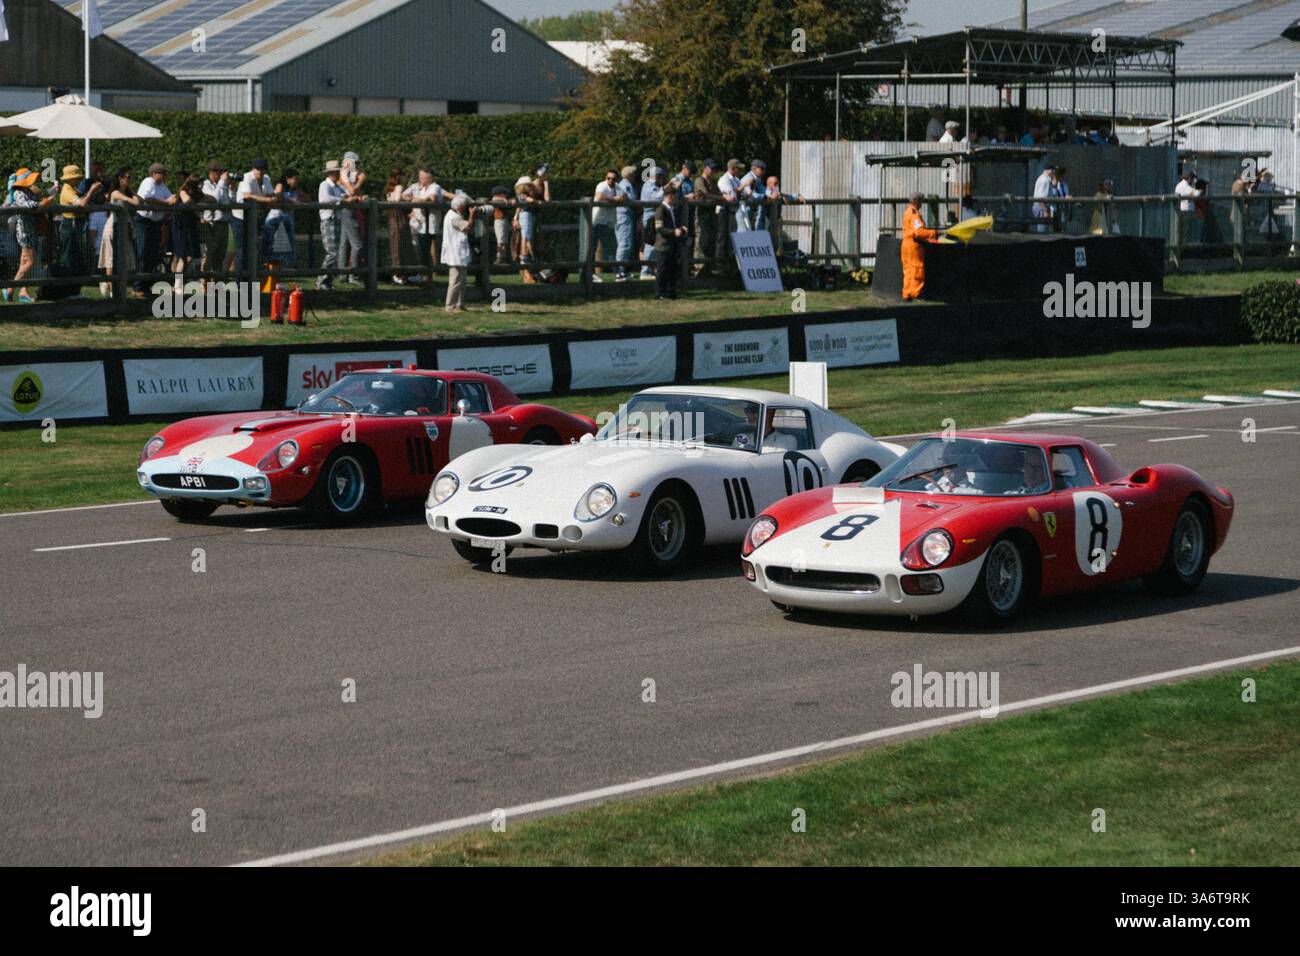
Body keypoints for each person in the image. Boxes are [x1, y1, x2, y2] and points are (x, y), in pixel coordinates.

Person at [97, 167, 141, 298]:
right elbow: (134, 201)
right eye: (127, 177)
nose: (129, 180)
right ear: (120, 178)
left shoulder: (126, 192)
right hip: (113, 226)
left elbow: (139, 200)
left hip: (124, 227)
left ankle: (116, 286)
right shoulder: (115, 193)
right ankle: (111, 287)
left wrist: (130, 190)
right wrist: (131, 194)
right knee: (110, 259)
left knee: (124, 257)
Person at [3, 168, 43, 303]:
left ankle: (21, 292)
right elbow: (28, 205)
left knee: (24, 262)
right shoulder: (18, 193)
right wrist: (41, 203)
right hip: (26, 231)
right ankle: (10, 288)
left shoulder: (26, 191)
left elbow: (35, 200)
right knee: (30, 262)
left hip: (29, 230)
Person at [135, 163, 175, 293]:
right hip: (144, 222)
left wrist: (173, 199)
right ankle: (138, 286)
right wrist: (166, 203)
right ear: (153, 174)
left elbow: (170, 198)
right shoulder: (148, 182)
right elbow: (147, 199)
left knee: (153, 254)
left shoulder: (162, 185)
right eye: (162, 173)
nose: (164, 176)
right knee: (143, 253)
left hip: (156, 223)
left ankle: (146, 286)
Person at [233, 158, 276, 278]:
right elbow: (248, 195)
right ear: (253, 169)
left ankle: (249, 280)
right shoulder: (246, 178)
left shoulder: (266, 179)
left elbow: (271, 194)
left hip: (252, 217)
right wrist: (268, 200)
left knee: (252, 249)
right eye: (258, 169)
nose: (260, 172)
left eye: (262, 169)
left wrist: (272, 199)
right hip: (240, 218)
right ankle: (239, 282)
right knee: (241, 250)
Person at [402, 166, 444, 285]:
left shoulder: (435, 187)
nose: (420, 179)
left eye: (423, 177)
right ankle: (422, 275)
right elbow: (405, 196)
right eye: (420, 177)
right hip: (420, 225)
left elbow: (432, 199)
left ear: (429, 177)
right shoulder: (420, 188)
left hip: (429, 226)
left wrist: (415, 199)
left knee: (424, 251)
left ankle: (427, 277)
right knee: (421, 251)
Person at [316, 159, 350, 290]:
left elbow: (346, 195)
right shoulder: (324, 185)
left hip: (337, 219)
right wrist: (343, 200)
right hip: (328, 219)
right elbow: (326, 199)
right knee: (332, 252)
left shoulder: (337, 186)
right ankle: (321, 280)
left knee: (335, 252)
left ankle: (327, 281)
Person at [441, 193, 476, 314]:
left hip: (457, 252)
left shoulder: (453, 215)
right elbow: (468, 227)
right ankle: (450, 305)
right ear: (459, 207)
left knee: (462, 280)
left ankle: (459, 304)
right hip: (455, 253)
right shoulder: (454, 217)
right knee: (455, 281)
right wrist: (472, 215)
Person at [200, 161, 233, 289]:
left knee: (220, 255)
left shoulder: (224, 185)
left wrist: (230, 187)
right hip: (210, 224)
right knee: (209, 254)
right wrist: (222, 183)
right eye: (221, 172)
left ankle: (217, 284)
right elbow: (215, 199)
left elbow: (230, 201)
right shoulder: (205, 185)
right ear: (213, 173)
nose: (224, 175)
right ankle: (205, 284)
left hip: (223, 223)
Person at [651, 184, 687, 300]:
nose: (675, 197)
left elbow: (676, 226)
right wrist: (673, 232)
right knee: (662, 270)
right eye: (674, 195)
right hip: (663, 245)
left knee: (672, 269)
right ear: (669, 196)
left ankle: (671, 291)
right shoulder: (660, 210)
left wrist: (681, 229)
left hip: (672, 245)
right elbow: (659, 228)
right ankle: (660, 292)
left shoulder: (673, 210)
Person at [901, 192, 938, 301]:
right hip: (914, 245)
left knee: (908, 269)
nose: (922, 203)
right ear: (917, 201)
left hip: (905, 244)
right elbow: (919, 232)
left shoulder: (907, 211)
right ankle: (917, 293)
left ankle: (907, 294)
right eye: (921, 201)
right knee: (917, 268)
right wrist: (934, 233)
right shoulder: (914, 214)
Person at [170, 173, 203, 292]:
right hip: (180, 226)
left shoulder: (196, 192)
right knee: (183, 256)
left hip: (190, 226)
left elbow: (210, 199)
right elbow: (187, 201)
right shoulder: (183, 191)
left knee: (190, 256)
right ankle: (177, 284)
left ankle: (179, 281)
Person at [262, 167, 301, 266]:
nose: (297, 181)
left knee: (288, 244)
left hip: (287, 219)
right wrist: (291, 201)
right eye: (295, 179)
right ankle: (269, 264)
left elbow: (306, 197)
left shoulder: (294, 189)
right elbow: (276, 198)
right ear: (287, 178)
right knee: (272, 244)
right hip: (276, 218)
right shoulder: (280, 186)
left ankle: (287, 265)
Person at [338, 151, 366, 283]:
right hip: (347, 211)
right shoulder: (343, 175)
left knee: (345, 244)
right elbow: (352, 191)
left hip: (352, 210)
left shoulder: (355, 175)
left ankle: (343, 274)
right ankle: (352, 275)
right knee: (357, 245)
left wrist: (353, 181)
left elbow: (354, 191)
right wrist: (356, 181)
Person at [590, 168, 621, 281]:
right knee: (592, 249)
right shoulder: (601, 185)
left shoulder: (617, 187)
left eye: (613, 179)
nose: (610, 181)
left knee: (611, 248)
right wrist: (614, 199)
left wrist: (618, 199)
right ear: (605, 178)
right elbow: (599, 197)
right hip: (596, 221)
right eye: (608, 178)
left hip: (607, 223)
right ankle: (591, 274)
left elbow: (624, 196)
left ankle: (618, 273)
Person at [691, 159, 720, 277]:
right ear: (705, 168)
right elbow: (705, 194)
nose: (713, 170)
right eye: (711, 168)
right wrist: (721, 198)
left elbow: (717, 194)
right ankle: (699, 268)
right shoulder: (699, 180)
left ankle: (708, 267)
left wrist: (719, 197)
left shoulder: (713, 181)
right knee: (701, 241)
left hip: (712, 214)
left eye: (714, 168)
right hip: (702, 215)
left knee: (711, 241)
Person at [716, 159, 746, 271]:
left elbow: (743, 194)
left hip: (732, 211)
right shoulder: (724, 180)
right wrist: (742, 188)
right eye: (739, 168)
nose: (741, 171)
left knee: (731, 238)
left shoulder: (736, 180)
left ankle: (729, 265)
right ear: (733, 169)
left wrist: (742, 189)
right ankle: (720, 265)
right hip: (724, 212)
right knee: (723, 238)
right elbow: (732, 197)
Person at [639, 166, 665, 278]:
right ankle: (645, 271)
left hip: (653, 217)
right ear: (657, 176)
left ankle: (649, 269)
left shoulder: (653, 186)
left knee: (653, 243)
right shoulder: (649, 185)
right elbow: (657, 198)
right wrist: (666, 189)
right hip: (649, 218)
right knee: (650, 243)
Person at [613, 165, 638, 280]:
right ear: (630, 175)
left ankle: (622, 270)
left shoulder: (623, 184)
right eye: (634, 174)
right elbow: (631, 199)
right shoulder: (626, 185)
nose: (635, 176)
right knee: (624, 244)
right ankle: (620, 271)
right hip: (624, 217)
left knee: (624, 243)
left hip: (623, 216)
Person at [383, 169, 407, 283]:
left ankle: (397, 272)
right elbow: (397, 199)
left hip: (391, 215)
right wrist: (405, 198)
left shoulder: (389, 188)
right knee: (399, 243)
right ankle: (398, 273)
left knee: (394, 244)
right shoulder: (399, 187)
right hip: (398, 215)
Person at [1174, 168, 1200, 249]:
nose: (1193, 181)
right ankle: (1182, 252)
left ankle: (1179, 251)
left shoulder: (1179, 185)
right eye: (1192, 179)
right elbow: (1196, 194)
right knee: (1185, 234)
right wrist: (1198, 191)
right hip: (1186, 211)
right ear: (1189, 178)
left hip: (1179, 211)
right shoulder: (1185, 186)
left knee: (1179, 233)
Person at [490, 184, 514, 266]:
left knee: (504, 241)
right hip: (500, 221)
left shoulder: (502, 200)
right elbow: (494, 198)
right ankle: (500, 259)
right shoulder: (497, 199)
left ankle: (502, 258)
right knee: (501, 241)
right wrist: (504, 199)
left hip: (503, 221)